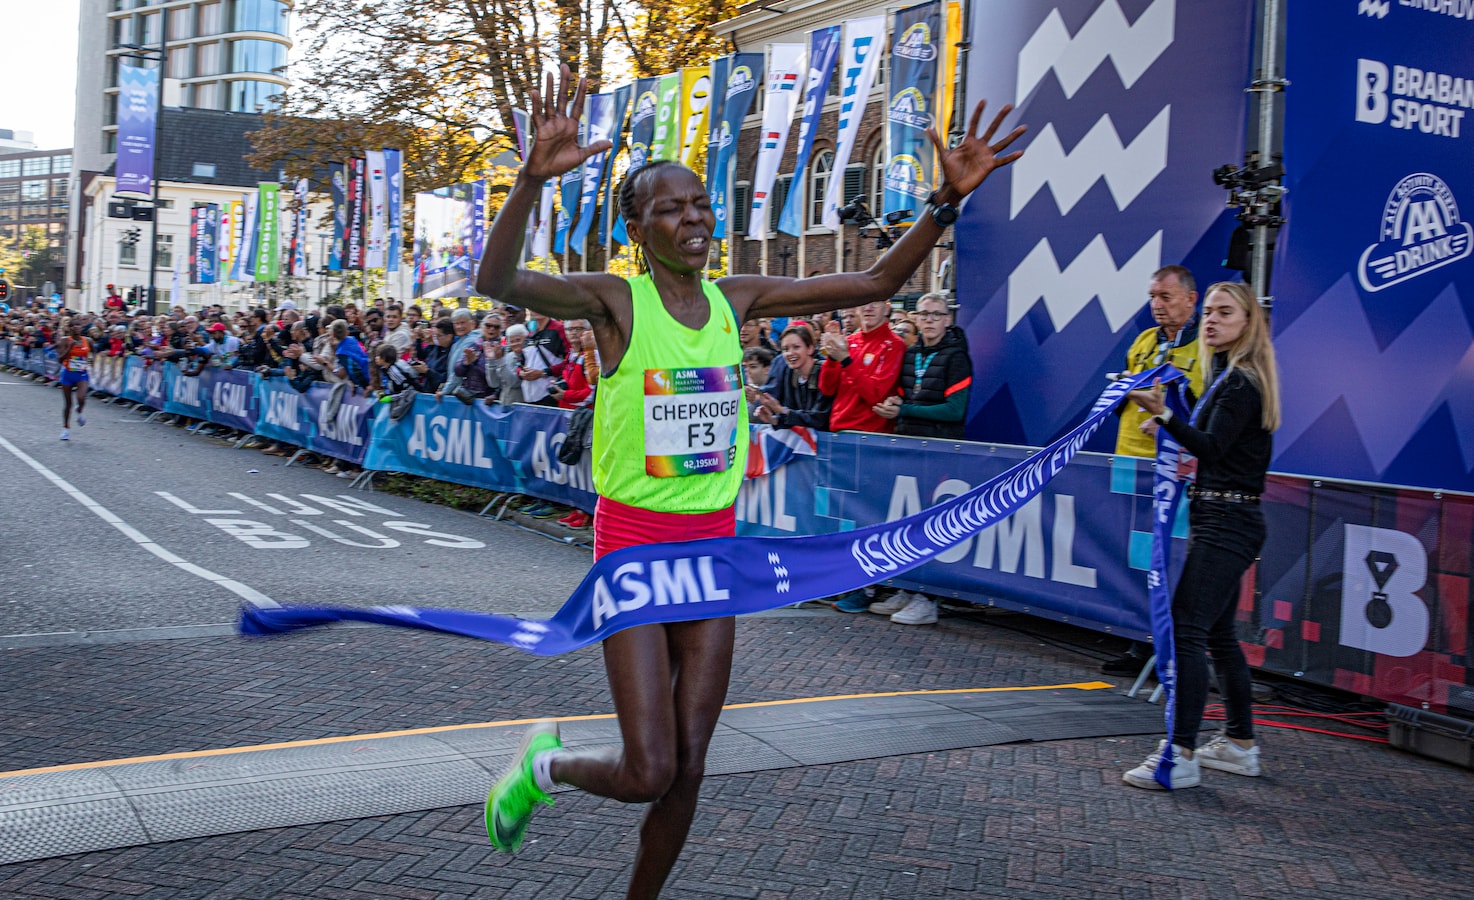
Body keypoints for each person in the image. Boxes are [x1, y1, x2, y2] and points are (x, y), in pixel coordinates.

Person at [472, 64, 1024, 896]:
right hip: (632, 550)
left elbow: (876, 283)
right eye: (671, 208)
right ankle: (547, 766)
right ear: (637, 227)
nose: (693, 218)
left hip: (713, 550)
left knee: (689, 771)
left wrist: (946, 205)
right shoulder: (617, 305)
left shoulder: (739, 297)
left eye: (699, 203)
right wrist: (527, 183)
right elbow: (498, 283)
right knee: (647, 769)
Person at [1120, 281, 1278, 791]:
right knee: (1217, 635)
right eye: (1208, 311)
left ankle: (1180, 752)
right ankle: (1238, 744)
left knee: (1188, 629)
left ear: (1248, 321)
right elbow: (1212, 444)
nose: (1211, 320)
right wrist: (1167, 423)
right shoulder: (1232, 377)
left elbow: (1209, 448)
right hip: (1225, 519)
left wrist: (1162, 414)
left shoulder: (1240, 383)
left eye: (1224, 312)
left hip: (1227, 522)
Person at [1103, 265, 1207, 676]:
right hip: (1131, 461)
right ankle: (1138, 642)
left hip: (1176, 468)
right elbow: (1123, 393)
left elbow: (1202, 405)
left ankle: (1170, 646)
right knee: (1136, 557)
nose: (1157, 305)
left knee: (1170, 557)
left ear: (1190, 299)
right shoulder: (1144, 341)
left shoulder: (1205, 348)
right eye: (1152, 297)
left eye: (1165, 297)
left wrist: (1167, 419)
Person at [867, 293, 976, 626]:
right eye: (923, 314)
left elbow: (955, 409)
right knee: (907, 521)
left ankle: (929, 597)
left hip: (940, 450)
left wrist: (906, 409)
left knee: (932, 523)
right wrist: (893, 407)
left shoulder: (957, 358)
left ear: (947, 320)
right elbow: (902, 395)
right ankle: (907, 585)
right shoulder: (912, 353)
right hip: (910, 447)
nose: (928, 320)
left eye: (936, 314)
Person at [817, 298, 907, 435]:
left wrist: (845, 361)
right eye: (864, 302)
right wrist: (832, 356)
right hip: (838, 429)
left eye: (875, 303)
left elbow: (875, 395)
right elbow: (827, 389)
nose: (868, 308)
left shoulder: (894, 345)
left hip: (871, 434)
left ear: (887, 309)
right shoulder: (849, 340)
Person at [750, 325, 830, 431]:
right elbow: (792, 415)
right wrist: (772, 419)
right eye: (785, 349)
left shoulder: (824, 371)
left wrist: (781, 410)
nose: (790, 353)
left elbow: (819, 419)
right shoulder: (790, 372)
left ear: (810, 349)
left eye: (796, 347)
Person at [54, 319, 92, 440]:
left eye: (79, 325)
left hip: (81, 374)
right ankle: (65, 428)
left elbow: (95, 352)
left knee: (81, 397)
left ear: (82, 327)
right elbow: (60, 359)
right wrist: (69, 348)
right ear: (70, 328)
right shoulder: (65, 340)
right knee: (68, 403)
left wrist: (92, 359)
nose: (77, 327)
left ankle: (80, 409)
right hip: (68, 374)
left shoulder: (88, 341)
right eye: (74, 325)